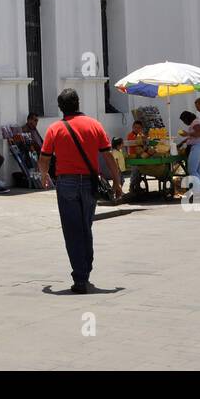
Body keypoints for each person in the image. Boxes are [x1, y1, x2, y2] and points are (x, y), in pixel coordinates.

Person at [36, 89, 124, 294]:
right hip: (89, 184)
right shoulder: (94, 125)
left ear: (60, 107)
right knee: (86, 226)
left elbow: (44, 158)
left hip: (66, 183)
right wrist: (117, 182)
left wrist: (44, 175)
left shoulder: (54, 129)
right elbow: (108, 156)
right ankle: (85, 270)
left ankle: (80, 275)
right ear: (78, 103)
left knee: (72, 230)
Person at [176, 110, 200, 200]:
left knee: (192, 170)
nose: (184, 123)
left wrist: (187, 133)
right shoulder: (195, 122)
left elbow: (199, 134)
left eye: (184, 120)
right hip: (198, 147)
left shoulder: (196, 122)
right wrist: (183, 142)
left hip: (196, 148)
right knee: (197, 172)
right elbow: (192, 136)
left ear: (187, 118)